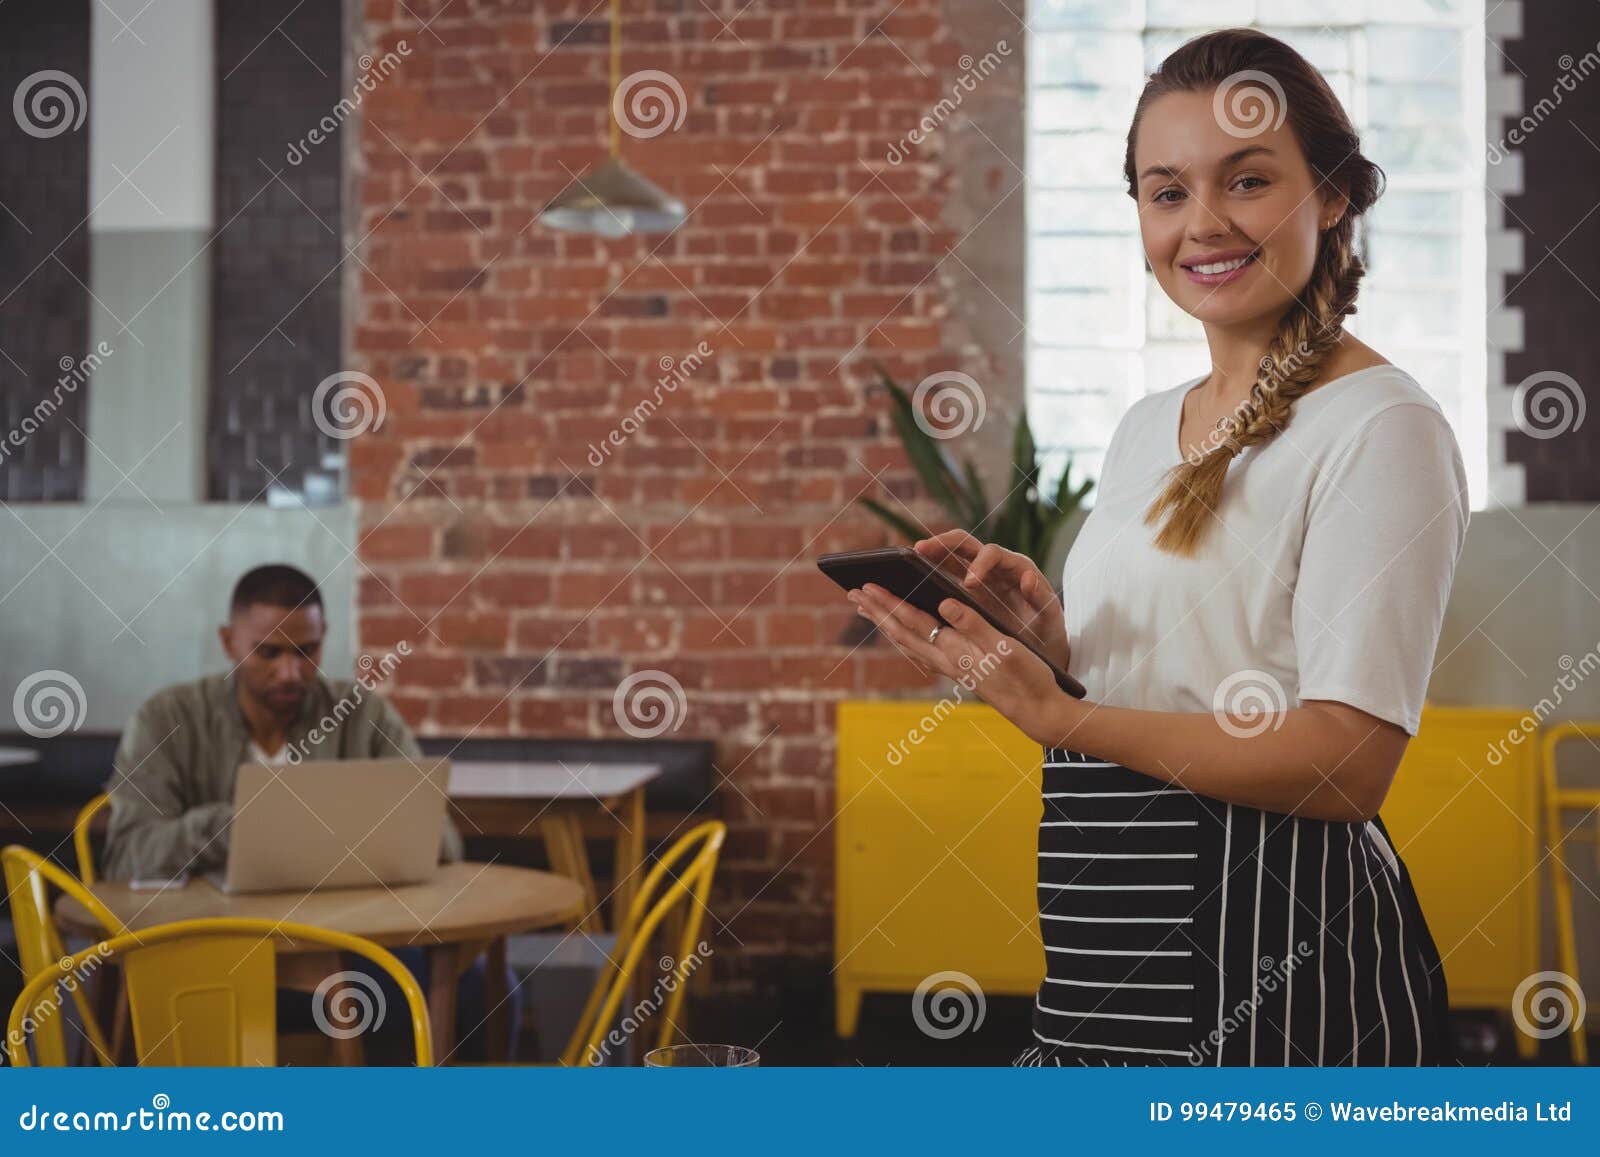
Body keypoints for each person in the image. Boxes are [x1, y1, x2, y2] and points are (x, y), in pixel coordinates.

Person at [846, 29, 1468, 1066]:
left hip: (1278, 954)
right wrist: (1052, 646)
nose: (1203, 223)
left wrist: (1065, 715)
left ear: (1330, 197)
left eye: (1248, 180)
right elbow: (1169, 684)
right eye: (1166, 191)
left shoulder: (1382, 425)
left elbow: (1348, 766)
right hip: (1103, 930)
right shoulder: (1145, 426)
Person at [103, 563, 462, 879]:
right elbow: (125, 859)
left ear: (324, 636)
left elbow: (443, 842)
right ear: (228, 642)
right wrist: (234, 828)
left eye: (307, 651)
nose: (290, 673)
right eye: (268, 652)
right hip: (208, 927)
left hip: (337, 924)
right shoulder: (167, 719)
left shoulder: (366, 716)